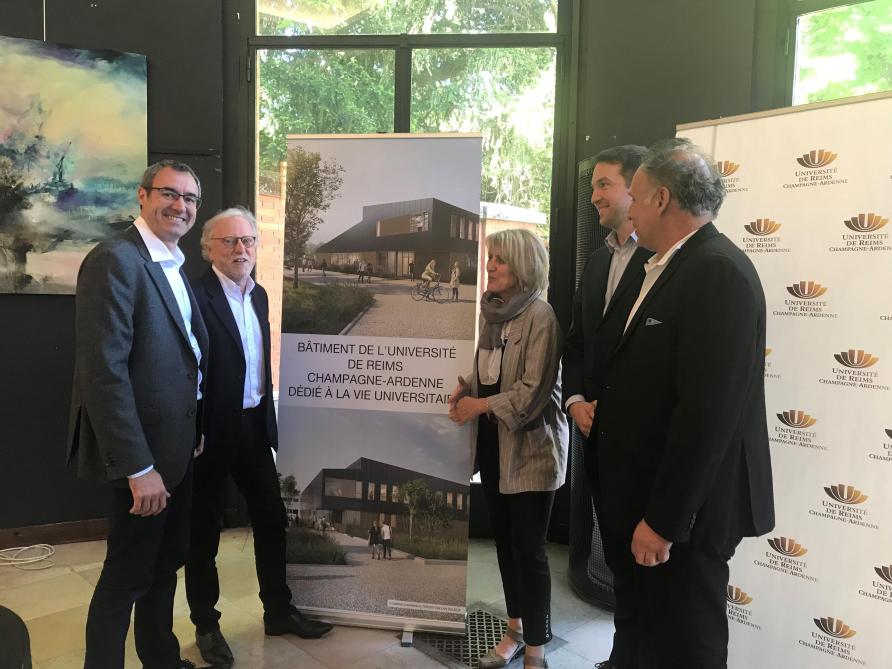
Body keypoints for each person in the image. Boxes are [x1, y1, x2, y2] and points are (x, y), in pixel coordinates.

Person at [591, 138, 774, 669]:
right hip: (648, 498)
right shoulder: (665, 265)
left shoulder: (718, 272)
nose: (631, 207)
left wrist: (665, 520)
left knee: (686, 641)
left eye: (638, 196)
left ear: (662, 199)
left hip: (686, 516)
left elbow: (707, 416)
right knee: (645, 628)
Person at [67, 160, 209, 669]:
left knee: (166, 564)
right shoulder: (115, 260)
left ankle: (160, 659)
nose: (181, 206)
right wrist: (137, 467)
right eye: (169, 193)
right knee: (125, 575)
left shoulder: (170, 262)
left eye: (191, 199)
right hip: (143, 459)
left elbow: (183, 355)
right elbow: (103, 373)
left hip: (177, 446)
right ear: (142, 196)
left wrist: (192, 428)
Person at [185, 207, 333, 666]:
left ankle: (278, 610)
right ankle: (206, 624)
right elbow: (183, 369)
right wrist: (190, 428)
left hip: (252, 426)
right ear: (208, 247)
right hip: (208, 432)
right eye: (229, 241)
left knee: (272, 518)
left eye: (248, 241)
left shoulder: (261, 295)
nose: (240, 249)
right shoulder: (193, 296)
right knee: (202, 533)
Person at [448, 229, 568, 669]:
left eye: (499, 259)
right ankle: (514, 631)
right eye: (490, 258)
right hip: (495, 449)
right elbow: (492, 375)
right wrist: (468, 388)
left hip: (532, 455)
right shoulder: (492, 314)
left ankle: (536, 652)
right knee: (505, 547)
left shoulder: (542, 317)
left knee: (529, 552)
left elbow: (532, 394)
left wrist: (477, 405)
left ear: (522, 265)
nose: (491, 266)